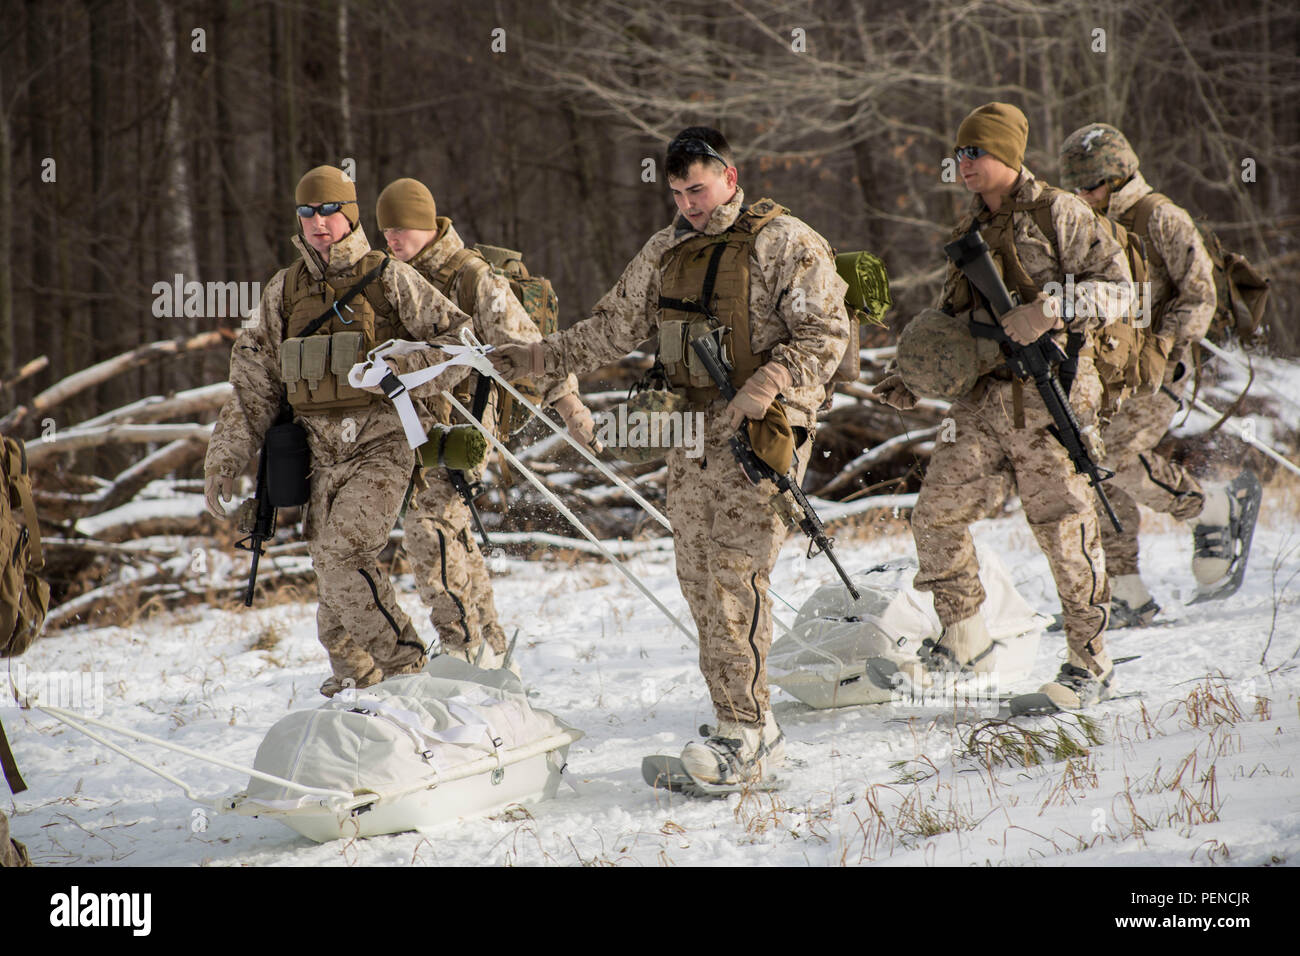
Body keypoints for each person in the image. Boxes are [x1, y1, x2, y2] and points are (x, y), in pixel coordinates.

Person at [491, 127, 849, 785]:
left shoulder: (785, 242)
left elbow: (826, 332)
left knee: (735, 575)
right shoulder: (666, 249)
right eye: (678, 191)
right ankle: (744, 722)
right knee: (698, 577)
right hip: (689, 434)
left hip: (760, 429)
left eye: (700, 188)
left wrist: (768, 382)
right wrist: (540, 358)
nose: (689, 202)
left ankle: (746, 732)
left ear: (730, 178)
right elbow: (612, 328)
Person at [874, 103, 1134, 709]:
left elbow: (1122, 290)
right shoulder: (972, 229)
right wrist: (910, 375)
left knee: (1064, 534)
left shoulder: (1060, 212)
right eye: (959, 153)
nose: (962, 163)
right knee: (935, 514)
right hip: (983, 403)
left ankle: (1089, 665)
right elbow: (952, 324)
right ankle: (964, 639)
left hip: (1051, 399)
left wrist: (1051, 309)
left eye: (975, 153)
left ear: (1008, 156)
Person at [204, 165, 474, 697]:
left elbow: (461, 343)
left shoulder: (389, 277)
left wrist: (403, 368)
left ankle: (407, 672)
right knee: (332, 591)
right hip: (318, 454)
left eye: (329, 210)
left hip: (383, 443)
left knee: (341, 555)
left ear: (350, 215)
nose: (318, 222)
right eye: (307, 212)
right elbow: (252, 381)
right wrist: (224, 458)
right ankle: (359, 688)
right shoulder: (285, 289)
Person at [374, 177, 593, 669]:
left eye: (403, 227)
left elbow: (531, 343)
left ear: (427, 224)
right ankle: (490, 648)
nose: (392, 237)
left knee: (429, 530)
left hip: (467, 423)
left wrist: (569, 404)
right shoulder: (390, 276)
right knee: (454, 536)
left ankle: (461, 650)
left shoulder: (472, 277)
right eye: (386, 228)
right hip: (412, 425)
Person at [1059, 123, 1259, 622]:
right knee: (1093, 466)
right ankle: (1124, 587)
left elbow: (1199, 295)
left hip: (1160, 369)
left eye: (1091, 185)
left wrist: (1167, 347)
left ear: (1119, 175)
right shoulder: (1086, 224)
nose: (1083, 195)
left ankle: (1209, 506)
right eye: (1077, 186)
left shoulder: (1162, 217)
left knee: (1116, 454)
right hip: (1104, 370)